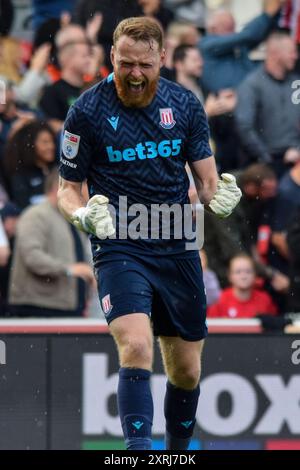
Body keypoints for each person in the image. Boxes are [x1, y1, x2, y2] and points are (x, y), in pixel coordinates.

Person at [57, 17, 241, 451]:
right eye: (125, 64)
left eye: (144, 64)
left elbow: (209, 182)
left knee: (187, 372)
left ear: (162, 58)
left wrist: (221, 197)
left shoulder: (186, 104)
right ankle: (138, 453)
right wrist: (83, 214)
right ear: (111, 57)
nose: (134, 74)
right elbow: (67, 189)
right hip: (120, 243)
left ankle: (178, 453)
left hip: (177, 241)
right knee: (137, 345)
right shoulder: (85, 110)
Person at [9, 167, 95, 317]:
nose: (87, 195)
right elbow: (32, 257)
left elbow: (82, 260)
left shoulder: (73, 219)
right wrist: (69, 269)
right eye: (81, 188)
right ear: (61, 187)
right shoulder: (35, 215)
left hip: (69, 308)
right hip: (38, 309)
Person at [235, 32, 299, 176]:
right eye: (292, 52)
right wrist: (266, 158)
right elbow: (244, 126)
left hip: (296, 158)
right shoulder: (252, 85)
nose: (296, 56)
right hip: (266, 164)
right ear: (275, 54)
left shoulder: (296, 83)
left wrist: (298, 149)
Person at [208, 254, 278, 318]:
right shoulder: (220, 299)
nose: (243, 276)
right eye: (238, 272)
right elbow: (210, 326)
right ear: (230, 276)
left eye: (248, 271)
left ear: (255, 275)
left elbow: (274, 326)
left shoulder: (264, 299)